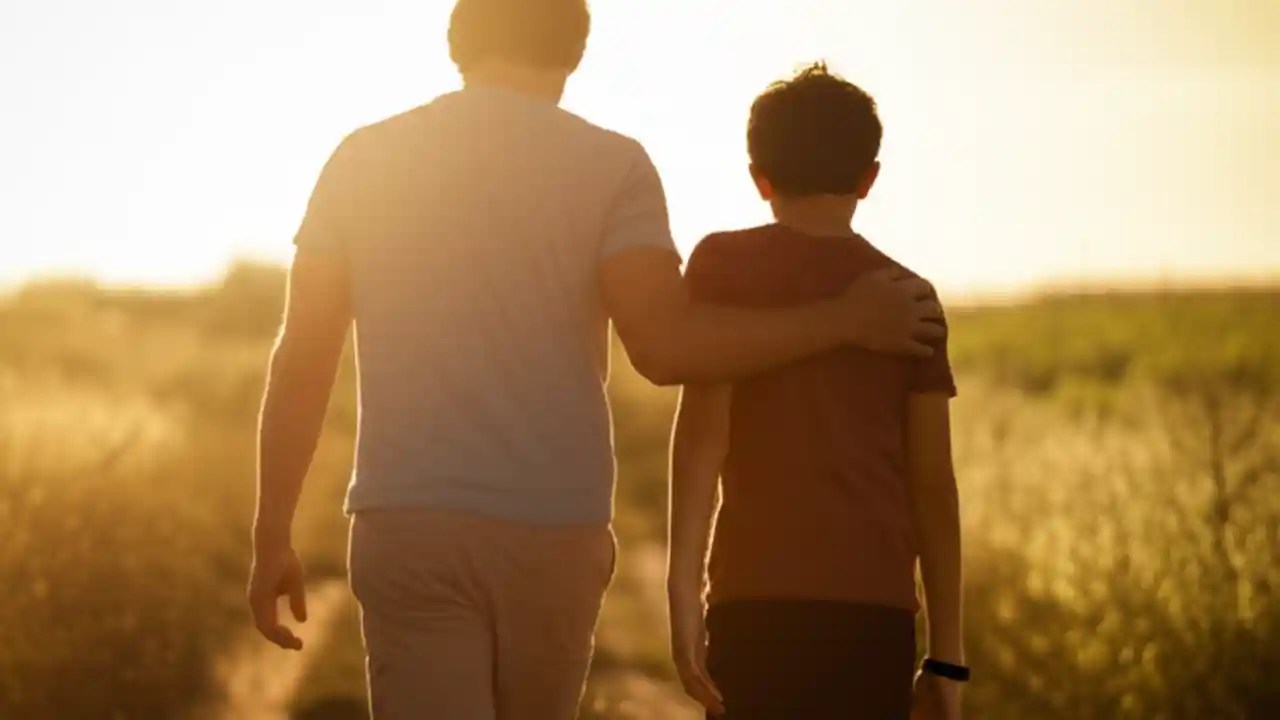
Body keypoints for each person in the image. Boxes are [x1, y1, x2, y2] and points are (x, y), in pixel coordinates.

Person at [246, 0, 945, 716]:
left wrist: (272, 533)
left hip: (411, 520)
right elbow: (667, 349)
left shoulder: (364, 157)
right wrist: (844, 320)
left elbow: (303, 354)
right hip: (556, 528)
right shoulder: (614, 167)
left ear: (457, 41)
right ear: (576, 51)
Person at [667, 63, 967, 720]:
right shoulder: (912, 299)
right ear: (869, 179)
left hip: (753, 605)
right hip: (875, 617)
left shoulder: (723, 265)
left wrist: (683, 595)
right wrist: (947, 658)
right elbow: (933, 490)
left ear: (759, 178)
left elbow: (700, 447)